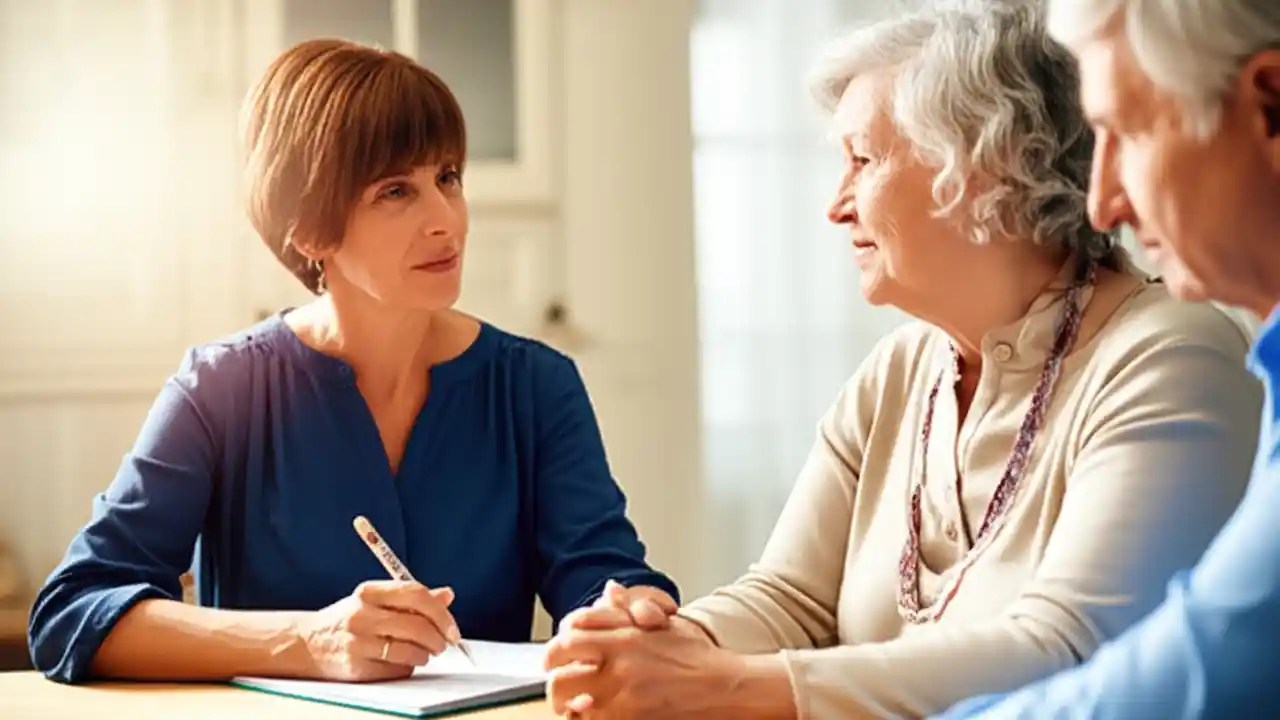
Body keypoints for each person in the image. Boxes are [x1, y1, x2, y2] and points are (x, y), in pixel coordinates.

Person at [541, 2, 1261, 718]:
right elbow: (790, 596)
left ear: (988, 163)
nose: (836, 204)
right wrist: (660, 640)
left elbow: (1070, 644)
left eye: (862, 160)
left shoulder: (1170, 354)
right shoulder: (901, 369)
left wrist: (722, 685)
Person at [27, 38, 677, 685]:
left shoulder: (537, 384)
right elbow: (73, 612)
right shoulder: (218, 388)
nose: (445, 220)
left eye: (447, 177)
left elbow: (602, 577)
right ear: (308, 229)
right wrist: (307, 639)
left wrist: (634, 610)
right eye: (396, 191)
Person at [939, 0, 1280, 716]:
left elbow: (1203, 674)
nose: (1102, 203)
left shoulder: (1171, 350)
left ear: (1271, 109)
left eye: (1126, 133)